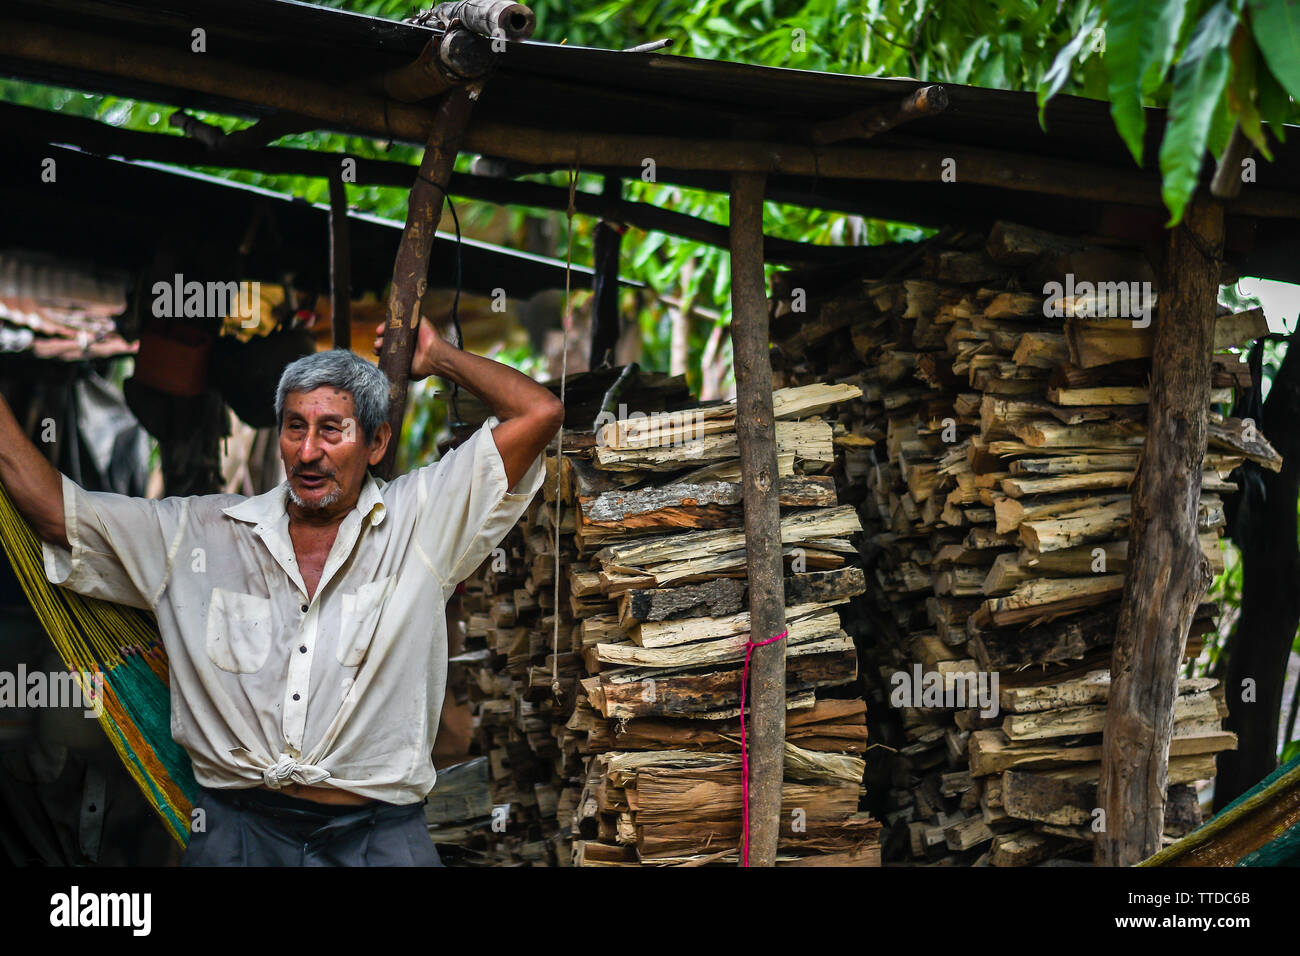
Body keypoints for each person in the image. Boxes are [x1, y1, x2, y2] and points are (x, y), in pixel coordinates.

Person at [0, 314, 564, 865]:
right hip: (237, 831)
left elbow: (539, 411)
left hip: (378, 835)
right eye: (296, 427)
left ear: (376, 442)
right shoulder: (196, 533)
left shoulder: (422, 520)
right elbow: (57, 513)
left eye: (331, 429)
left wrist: (438, 357)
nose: (309, 450)